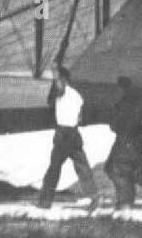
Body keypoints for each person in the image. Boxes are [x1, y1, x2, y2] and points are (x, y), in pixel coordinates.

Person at [38, 63, 98, 211]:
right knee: (83, 167)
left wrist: (54, 73)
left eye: (58, 79)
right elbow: (80, 117)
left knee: (54, 168)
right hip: (74, 133)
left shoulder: (62, 91)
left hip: (63, 134)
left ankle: (45, 202)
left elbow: (57, 89)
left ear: (63, 79)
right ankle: (93, 197)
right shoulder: (77, 95)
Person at [104, 76, 142, 209]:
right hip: (140, 139)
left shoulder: (122, 104)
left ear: (120, 88)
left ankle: (126, 202)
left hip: (125, 139)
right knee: (136, 171)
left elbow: (113, 126)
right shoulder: (141, 101)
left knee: (116, 169)